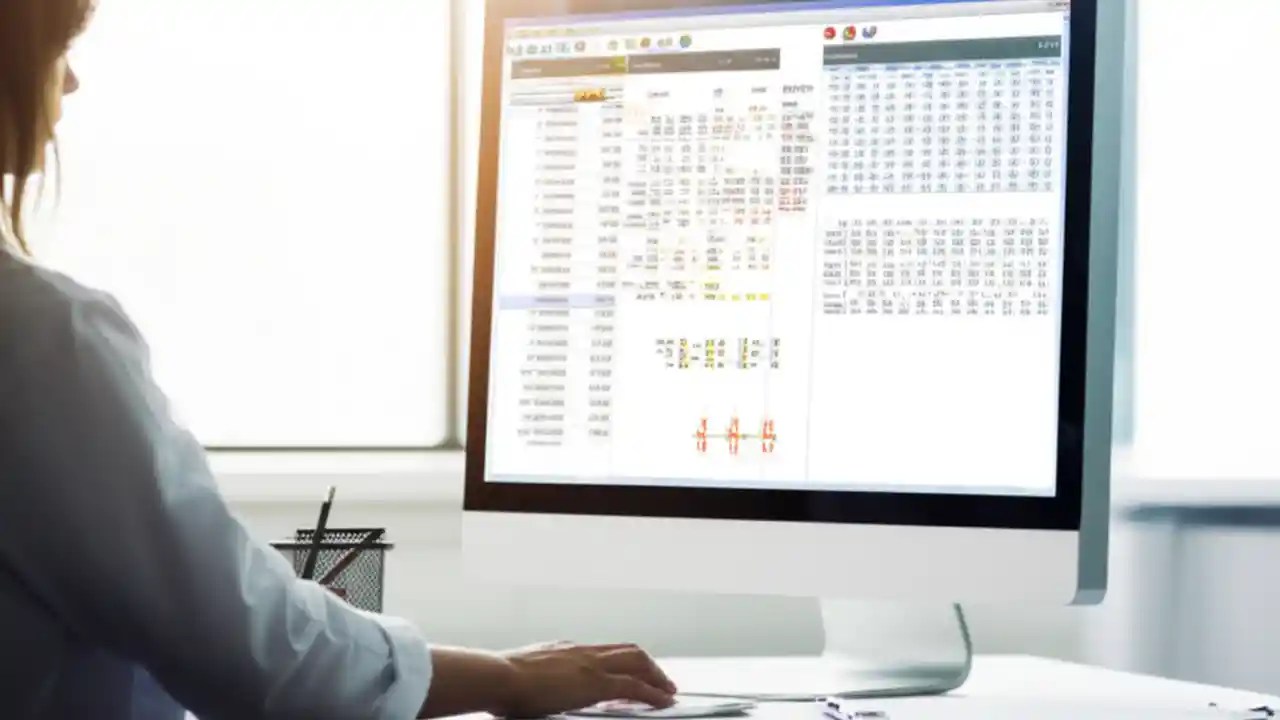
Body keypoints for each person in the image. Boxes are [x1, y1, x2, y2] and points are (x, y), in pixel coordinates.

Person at [0, 2, 677, 718]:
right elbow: (255, 654)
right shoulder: (40, 338)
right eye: (55, 50)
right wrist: (509, 679)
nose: (69, 83)